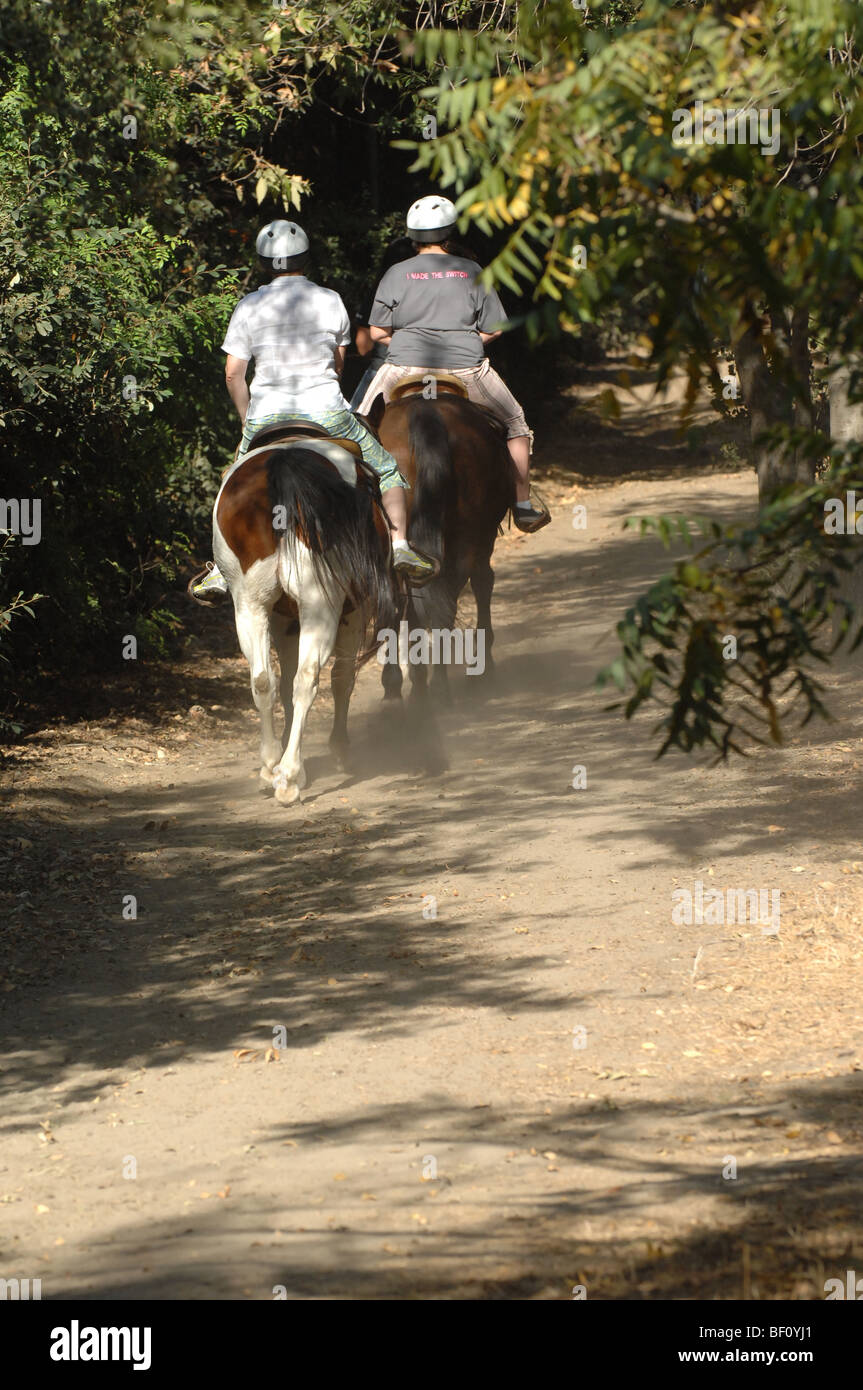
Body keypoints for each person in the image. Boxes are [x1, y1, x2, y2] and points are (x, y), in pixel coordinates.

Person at [189, 220, 434, 602]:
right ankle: (401, 546)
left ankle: (222, 569)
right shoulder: (330, 299)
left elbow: (233, 373)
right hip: (327, 413)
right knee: (387, 470)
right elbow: (338, 364)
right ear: (305, 258)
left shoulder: (248, 304)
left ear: (262, 263)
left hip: (267, 416)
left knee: (230, 480)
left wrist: (246, 419)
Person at [355, 195, 550, 533]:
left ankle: (353, 507)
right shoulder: (473, 270)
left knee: (357, 426)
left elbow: (376, 332)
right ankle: (522, 505)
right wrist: (468, 341)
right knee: (516, 422)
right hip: (466, 368)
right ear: (449, 233)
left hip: (403, 366)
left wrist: (405, 342)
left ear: (413, 236)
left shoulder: (395, 273)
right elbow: (494, 328)